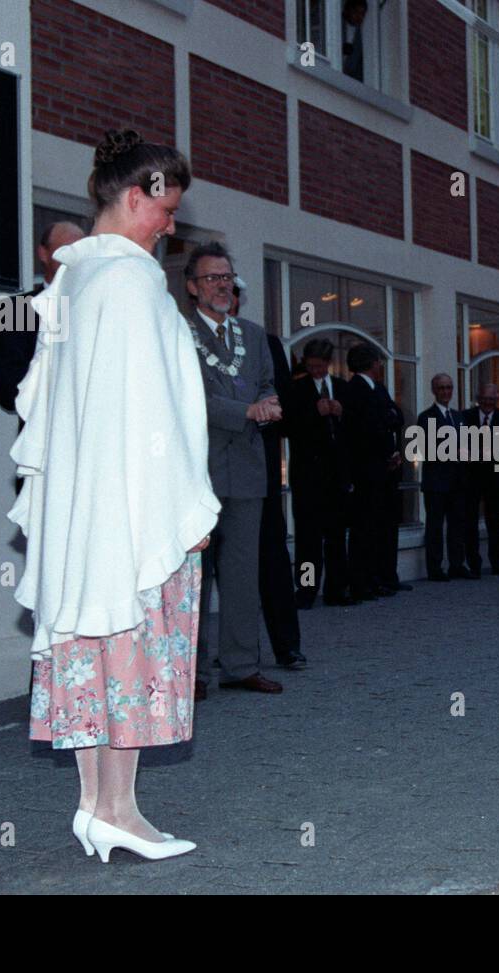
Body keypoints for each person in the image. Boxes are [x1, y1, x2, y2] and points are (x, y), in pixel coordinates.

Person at [12, 129, 217, 862]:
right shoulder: (129, 280)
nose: (172, 225)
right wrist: (187, 503)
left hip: (87, 506)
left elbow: (53, 408)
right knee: (131, 642)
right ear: (137, 197)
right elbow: (153, 408)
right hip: (134, 503)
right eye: (167, 211)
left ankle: (97, 805)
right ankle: (120, 810)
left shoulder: (74, 279)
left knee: (94, 649)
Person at [183, 241, 283, 698]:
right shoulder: (179, 335)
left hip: (247, 470)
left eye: (226, 277)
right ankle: (191, 672)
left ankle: (241, 665)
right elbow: (191, 399)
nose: (221, 285)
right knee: (194, 578)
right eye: (211, 278)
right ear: (192, 287)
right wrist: (247, 411)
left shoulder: (255, 334)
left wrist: (270, 403)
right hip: (197, 472)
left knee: (243, 575)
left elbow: (268, 385)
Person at [0, 221, 85, 427]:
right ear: (43, 253)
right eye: (65, 251)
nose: (73, 260)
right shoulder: (15, 311)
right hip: (41, 438)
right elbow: (9, 392)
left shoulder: (98, 306)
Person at [287, 338, 354, 606]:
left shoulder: (342, 388)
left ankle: (337, 590)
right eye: (311, 366)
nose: (315, 371)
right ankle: (305, 590)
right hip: (307, 477)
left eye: (320, 366)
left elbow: (356, 431)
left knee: (337, 537)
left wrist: (342, 413)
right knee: (307, 539)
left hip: (336, 477)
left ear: (328, 363)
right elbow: (286, 428)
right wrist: (313, 412)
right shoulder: (295, 390)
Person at [258, 307, 306, 670]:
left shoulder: (268, 344)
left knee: (272, 559)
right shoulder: (187, 336)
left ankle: (286, 646)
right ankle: (204, 662)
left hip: (262, 476)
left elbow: (288, 408)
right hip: (210, 474)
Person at [342, 343, 397, 599]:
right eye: (379, 361)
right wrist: (387, 451)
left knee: (376, 526)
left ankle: (375, 578)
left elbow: (395, 417)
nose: (381, 366)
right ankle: (360, 581)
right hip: (366, 469)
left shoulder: (377, 389)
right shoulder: (356, 390)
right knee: (364, 527)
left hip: (378, 468)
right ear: (371, 363)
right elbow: (370, 428)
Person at [418, 373, 470, 581]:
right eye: (442, 388)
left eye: (449, 387)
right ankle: (435, 568)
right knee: (435, 527)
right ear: (434, 390)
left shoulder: (458, 417)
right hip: (436, 482)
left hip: (457, 481)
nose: (446, 392)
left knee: (457, 525)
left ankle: (457, 565)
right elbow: (426, 449)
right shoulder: (426, 417)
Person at [462, 383, 499, 576]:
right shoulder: (467, 417)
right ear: (478, 398)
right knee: (470, 522)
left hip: (495, 479)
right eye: (485, 399)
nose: (488, 403)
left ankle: (497, 563)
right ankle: (474, 563)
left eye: (492, 399)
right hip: (472, 478)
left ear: (496, 400)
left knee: (495, 522)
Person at [376, 359, 412, 594]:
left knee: (391, 528)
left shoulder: (385, 395)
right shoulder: (374, 394)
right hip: (380, 473)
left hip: (393, 472)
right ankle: (382, 576)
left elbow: (397, 418)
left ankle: (390, 574)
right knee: (380, 529)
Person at [341, 0, 367, 82]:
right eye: (356, 12)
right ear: (348, 10)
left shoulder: (360, 37)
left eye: (362, 14)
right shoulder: (336, 27)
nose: (359, 17)